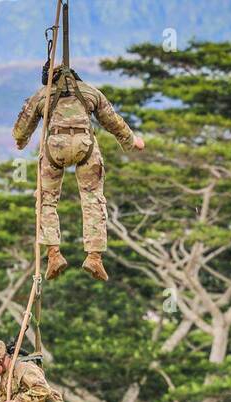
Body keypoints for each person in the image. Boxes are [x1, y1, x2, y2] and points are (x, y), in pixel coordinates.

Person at [13, 63, 146, 282]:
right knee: (93, 199)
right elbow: (114, 122)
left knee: (46, 200)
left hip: (55, 146)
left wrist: (21, 142)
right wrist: (133, 142)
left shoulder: (42, 95)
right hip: (86, 145)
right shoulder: (90, 91)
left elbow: (21, 131)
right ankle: (94, 256)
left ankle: (53, 254)